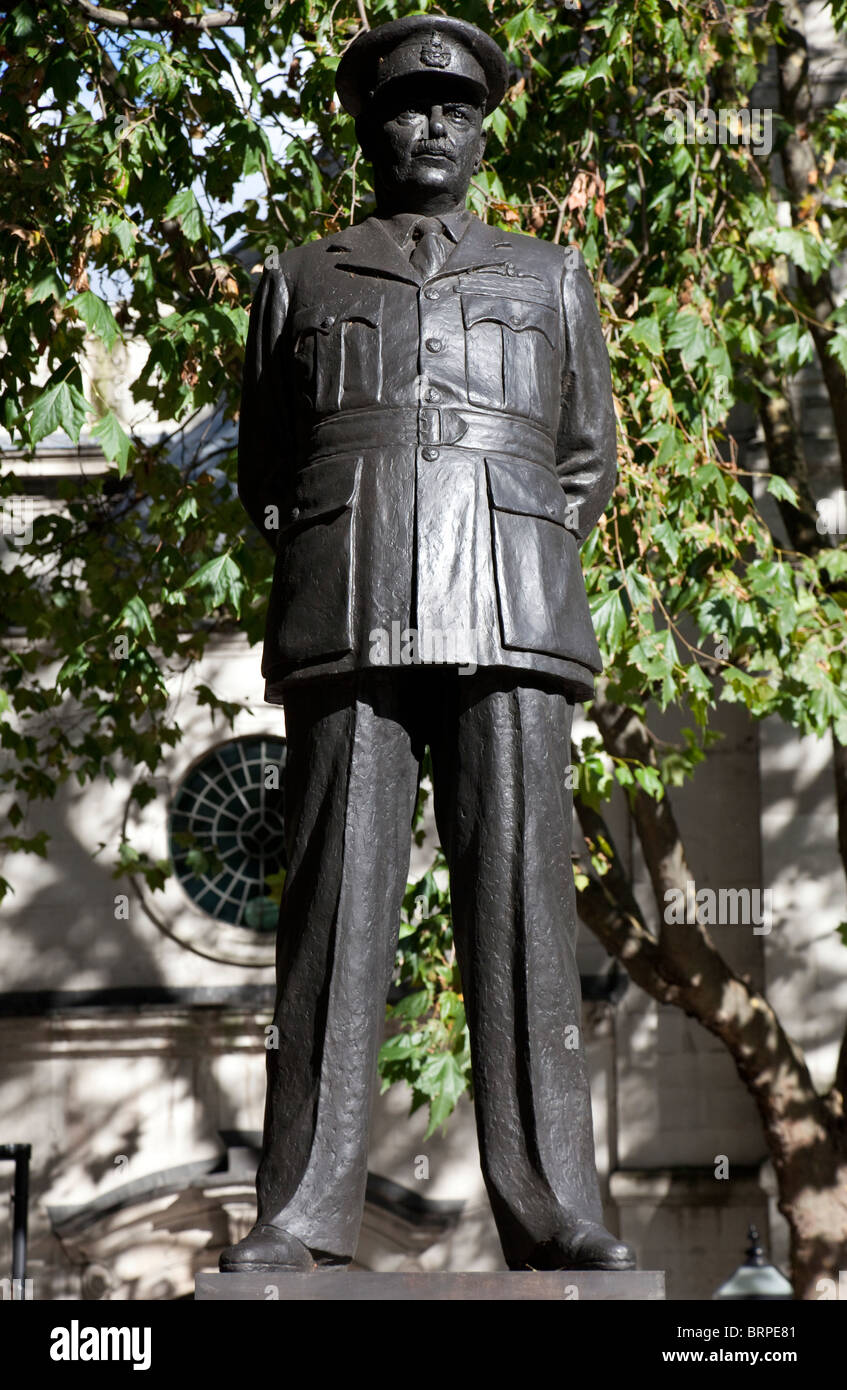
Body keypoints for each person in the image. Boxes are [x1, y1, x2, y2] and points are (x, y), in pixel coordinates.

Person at [221, 13, 635, 1274]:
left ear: (483, 126)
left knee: (518, 904)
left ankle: (554, 1202)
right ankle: (298, 1212)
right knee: (331, 912)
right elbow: (266, 471)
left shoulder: (546, 276)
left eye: (457, 107)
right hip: (350, 607)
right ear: (370, 124)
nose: (435, 126)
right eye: (409, 106)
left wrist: (494, 537)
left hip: (508, 609)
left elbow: (583, 461)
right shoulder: (304, 276)